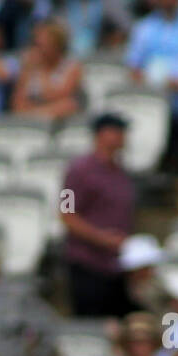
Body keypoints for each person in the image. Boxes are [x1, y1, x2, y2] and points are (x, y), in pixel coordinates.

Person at [60, 112, 136, 317]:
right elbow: (66, 214)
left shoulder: (120, 171)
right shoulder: (78, 170)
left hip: (116, 265)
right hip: (88, 263)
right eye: (118, 131)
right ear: (103, 134)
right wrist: (101, 238)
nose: (123, 137)